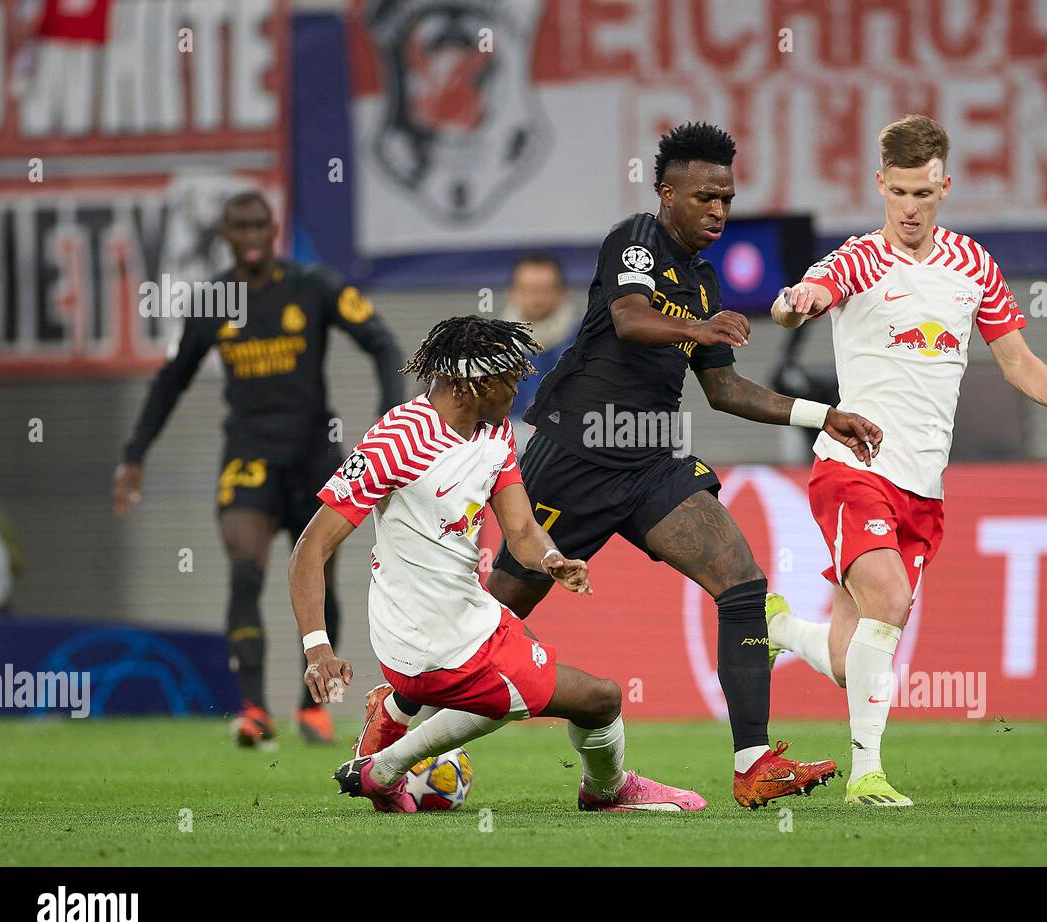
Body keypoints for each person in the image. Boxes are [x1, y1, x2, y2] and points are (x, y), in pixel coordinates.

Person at [357, 122, 884, 810]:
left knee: (743, 583)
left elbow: (723, 391)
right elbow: (632, 318)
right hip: (572, 460)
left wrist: (823, 414)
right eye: (704, 197)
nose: (719, 210)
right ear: (667, 194)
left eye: (726, 197)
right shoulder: (634, 239)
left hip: (651, 465)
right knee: (487, 630)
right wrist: (700, 329)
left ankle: (753, 764)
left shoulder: (702, 279)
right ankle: (393, 711)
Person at [768, 114, 1047, 807]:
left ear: (944, 187)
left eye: (923, 194)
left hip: (923, 487)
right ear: (880, 186)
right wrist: (796, 303)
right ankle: (866, 773)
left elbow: (1016, 360)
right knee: (892, 603)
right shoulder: (860, 259)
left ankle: (778, 627)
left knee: (850, 658)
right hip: (854, 466)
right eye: (898, 192)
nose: (909, 207)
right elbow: (806, 299)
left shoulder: (973, 267)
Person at [290, 316, 706, 813]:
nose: (519, 384)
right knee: (603, 698)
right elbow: (311, 548)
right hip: (424, 639)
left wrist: (552, 559)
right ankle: (602, 790)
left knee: (518, 670)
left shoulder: (496, 435)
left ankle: (393, 718)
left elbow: (523, 530)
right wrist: (317, 648)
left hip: (468, 616)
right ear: (473, 384)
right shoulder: (396, 441)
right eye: (509, 376)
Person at [112, 191, 404, 748]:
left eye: (258, 224)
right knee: (246, 572)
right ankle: (253, 710)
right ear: (224, 233)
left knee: (318, 569)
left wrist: (391, 411)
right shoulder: (213, 301)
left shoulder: (314, 286)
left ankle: (311, 709)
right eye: (238, 225)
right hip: (248, 455)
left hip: (314, 453)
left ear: (274, 229)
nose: (249, 234)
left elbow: (379, 338)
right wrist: (134, 453)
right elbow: (171, 380)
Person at [500, 253, 579, 446]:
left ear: (563, 292)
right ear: (510, 293)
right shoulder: (489, 346)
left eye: (545, 289)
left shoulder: (588, 341)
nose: (536, 298)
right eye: (527, 289)